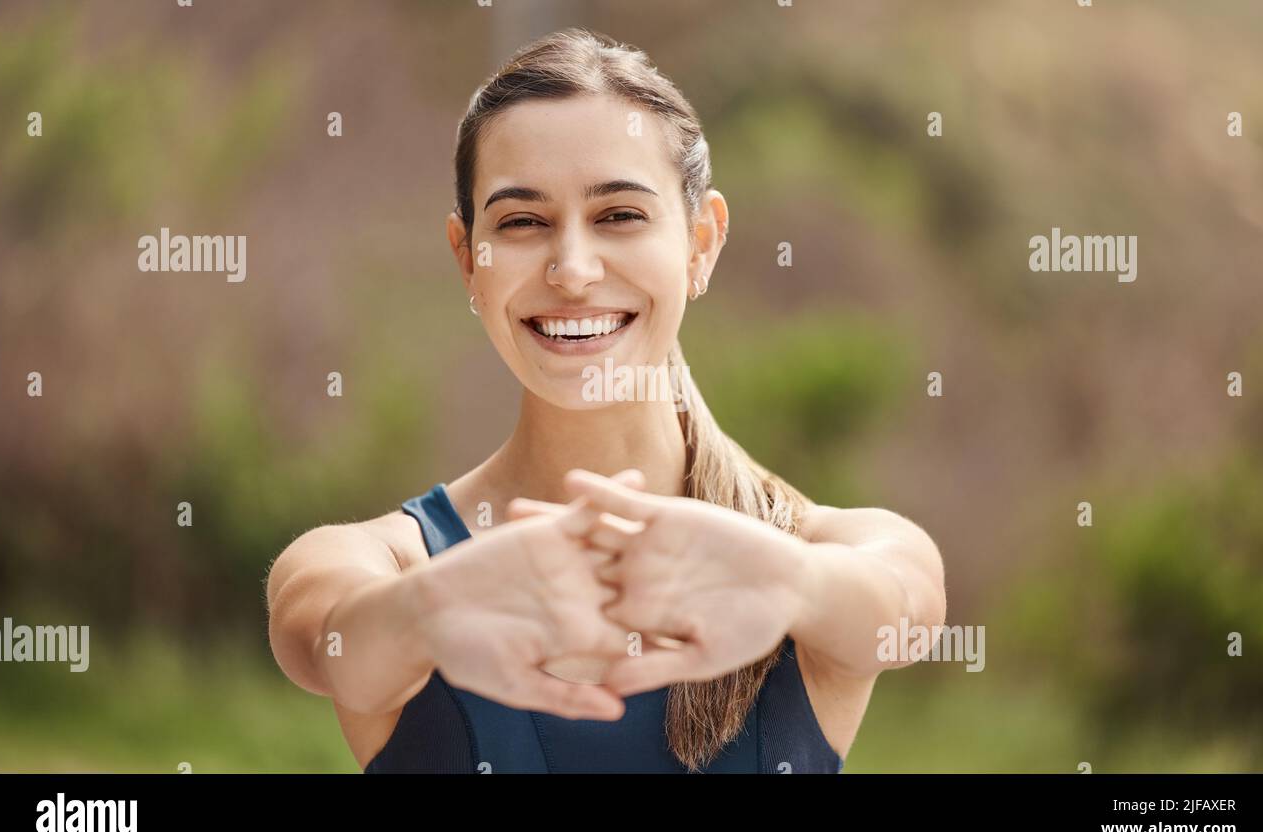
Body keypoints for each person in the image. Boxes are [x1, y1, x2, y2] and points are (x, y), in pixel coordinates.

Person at [265, 26, 946, 774]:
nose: (573, 269)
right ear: (469, 260)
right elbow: (326, 640)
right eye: (522, 222)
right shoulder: (382, 561)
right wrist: (430, 611)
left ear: (701, 242)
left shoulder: (821, 555)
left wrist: (785, 583)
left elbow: (905, 605)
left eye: (620, 215)